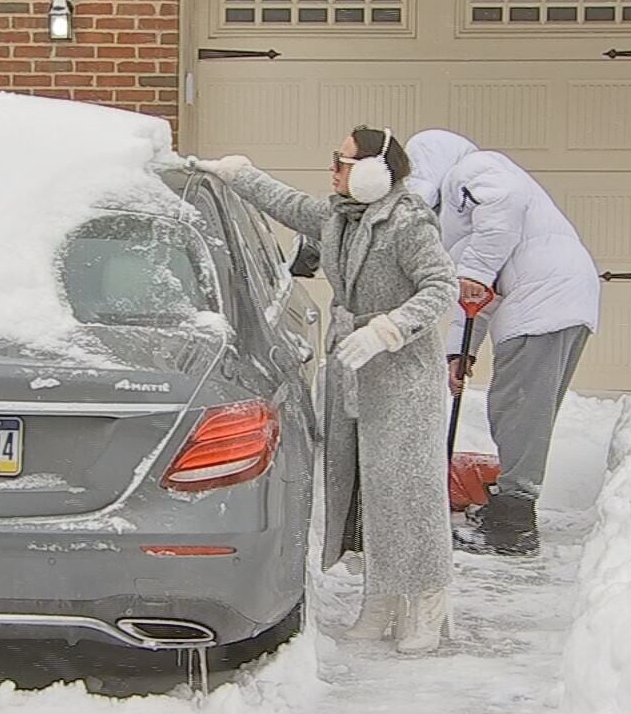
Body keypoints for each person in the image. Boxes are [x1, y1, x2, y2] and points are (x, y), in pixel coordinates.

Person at [193, 127, 459, 653]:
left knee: (409, 492)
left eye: (342, 162)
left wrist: (389, 330)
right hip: (353, 372)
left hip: (402, 377)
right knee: (364, 488)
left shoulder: (408, 223)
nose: (332, 170)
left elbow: (441, 286)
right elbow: (289, 204)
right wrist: (240, 174)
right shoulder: (339, 217)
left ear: (374, 173)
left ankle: (427, 598)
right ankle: (380, 596)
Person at [405, 129, 601, 556]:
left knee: (519, 408)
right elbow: (474, 292)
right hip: (562, 296)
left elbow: (498, 218)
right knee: (525, 409)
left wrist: (473, 271)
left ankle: (513, 525)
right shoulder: (470, 219)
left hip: (545, 298)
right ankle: (509, 506)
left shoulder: (476, 170)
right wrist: (461, 352)